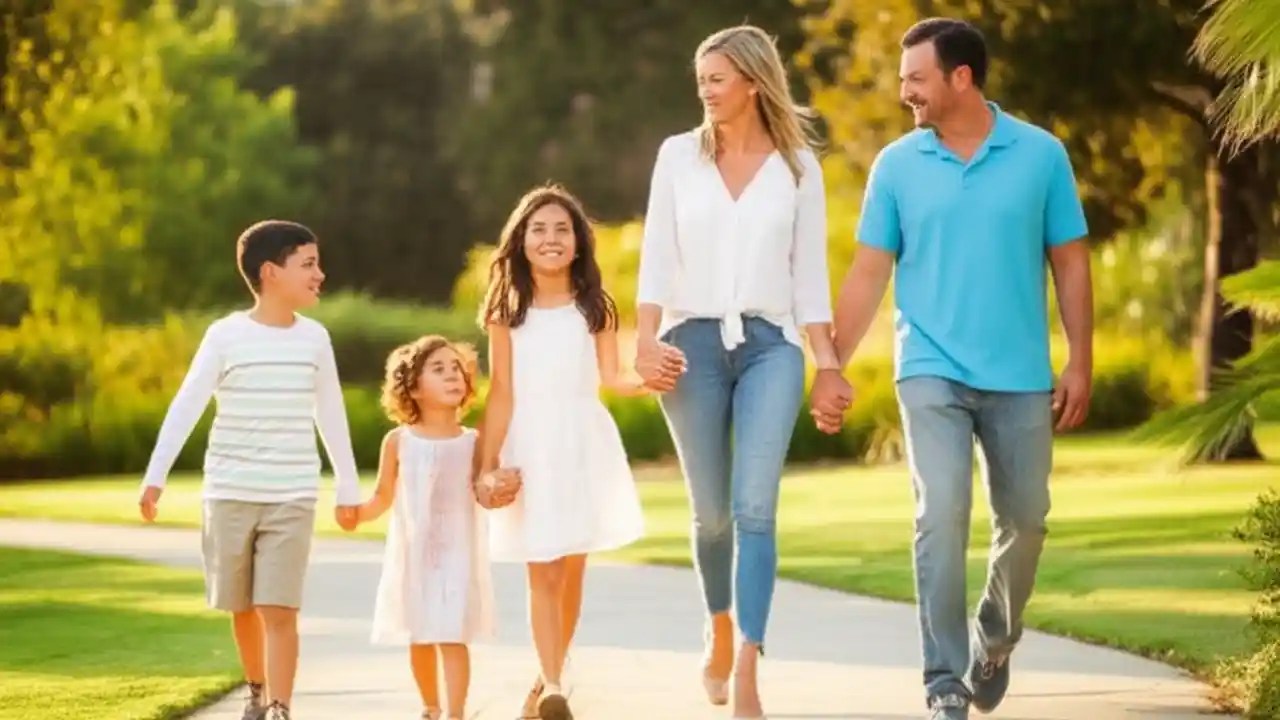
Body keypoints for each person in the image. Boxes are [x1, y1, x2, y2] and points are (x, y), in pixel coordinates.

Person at [813, 17, 1094, 720]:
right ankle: (942, 680)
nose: (903, 90)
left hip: (1021, 374)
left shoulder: (1040, 155)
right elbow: (869, 272)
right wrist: (830, 365)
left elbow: (1070, 261)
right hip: (930, 366)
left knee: (1026, 520)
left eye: (916, 77)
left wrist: (1079, 359)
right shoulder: (898, 166)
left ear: (959, 77)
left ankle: (993, 643)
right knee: (939, 513)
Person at [633, 24, 848, 720]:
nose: (705, 89)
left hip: (770, 347)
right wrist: (644, 341)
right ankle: (717, 623)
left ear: (754, 82)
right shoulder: (677, 156)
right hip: (688, 343)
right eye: (701, 78)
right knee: (714, 513)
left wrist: (827, 365)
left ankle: (750, 663)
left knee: (756, 508)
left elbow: (809, 277)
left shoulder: (797, 166)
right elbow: (656, 258)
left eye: (717, 77)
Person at [137, 220, 364, 720]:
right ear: (270, 272)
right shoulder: (225, 336)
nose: (319, 274)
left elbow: (331, 413)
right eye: (308, 264)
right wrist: (156, 475)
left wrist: (347, 485)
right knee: (242, 608)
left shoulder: (315, 340)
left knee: (280, 609)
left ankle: (281, 707)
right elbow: (187, 405)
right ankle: (258, 689)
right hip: (230, 493)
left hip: (292, 495)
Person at [477, 184, 652, 720]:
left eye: (562, 229)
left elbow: (612, 378)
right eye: (539, 229)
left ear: (578, 243)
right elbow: (501, 391)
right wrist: (486, 463)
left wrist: (651, 377)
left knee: (572, 568)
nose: (551, 238)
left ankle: (546, 679)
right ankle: (555, 684)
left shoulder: (594, 306)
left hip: (582, 443)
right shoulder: (506, 310)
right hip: (528, 445)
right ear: (521, 241)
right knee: (543, 571)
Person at [356, 335, 517, 720]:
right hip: (415, 555)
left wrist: (496, 485)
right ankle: (430, 705)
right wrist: (357, 514)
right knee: (420, 632)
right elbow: (382, 496)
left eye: (457, 369)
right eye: (439, 369)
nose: (453, 376)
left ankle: (456, 713)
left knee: (451, 632)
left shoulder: (473, 442)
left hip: (459, 551)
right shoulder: (398, 441)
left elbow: (483, 488)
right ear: (413, 388)